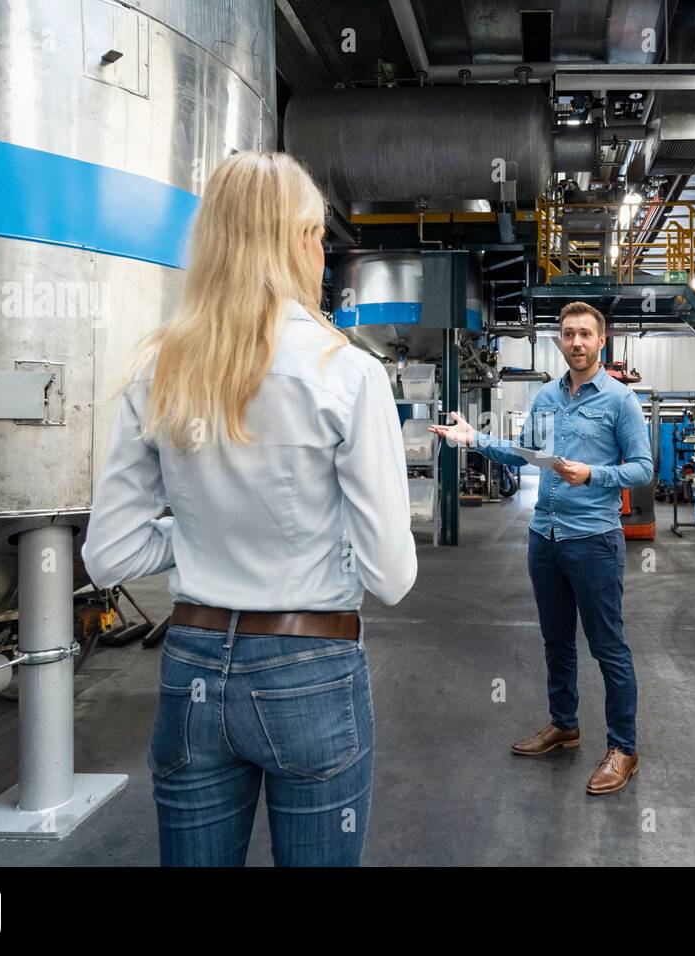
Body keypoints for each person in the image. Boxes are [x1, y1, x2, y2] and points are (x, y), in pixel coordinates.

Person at [82, 151, 416, 866]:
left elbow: (108, 554)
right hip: (311, 666)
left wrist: (198, 535)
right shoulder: (346, 372)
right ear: (294, 239)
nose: (322, 250)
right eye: (317, 234)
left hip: (192, 665)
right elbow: (391, 576)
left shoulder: (156, 368)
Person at [430, 301, 652, 795]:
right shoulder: (547, 396)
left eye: (585, 335)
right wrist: (474, 438)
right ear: (559, 340)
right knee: (556, 641)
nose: (576, 342)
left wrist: (595, 473)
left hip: (593, 541)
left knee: (608, 647)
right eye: (569, 334)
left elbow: (643, 468)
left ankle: (624, 748)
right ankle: (564, 725)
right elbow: (527, 453)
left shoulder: (620, 401)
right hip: (544, 538)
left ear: (601, 341)